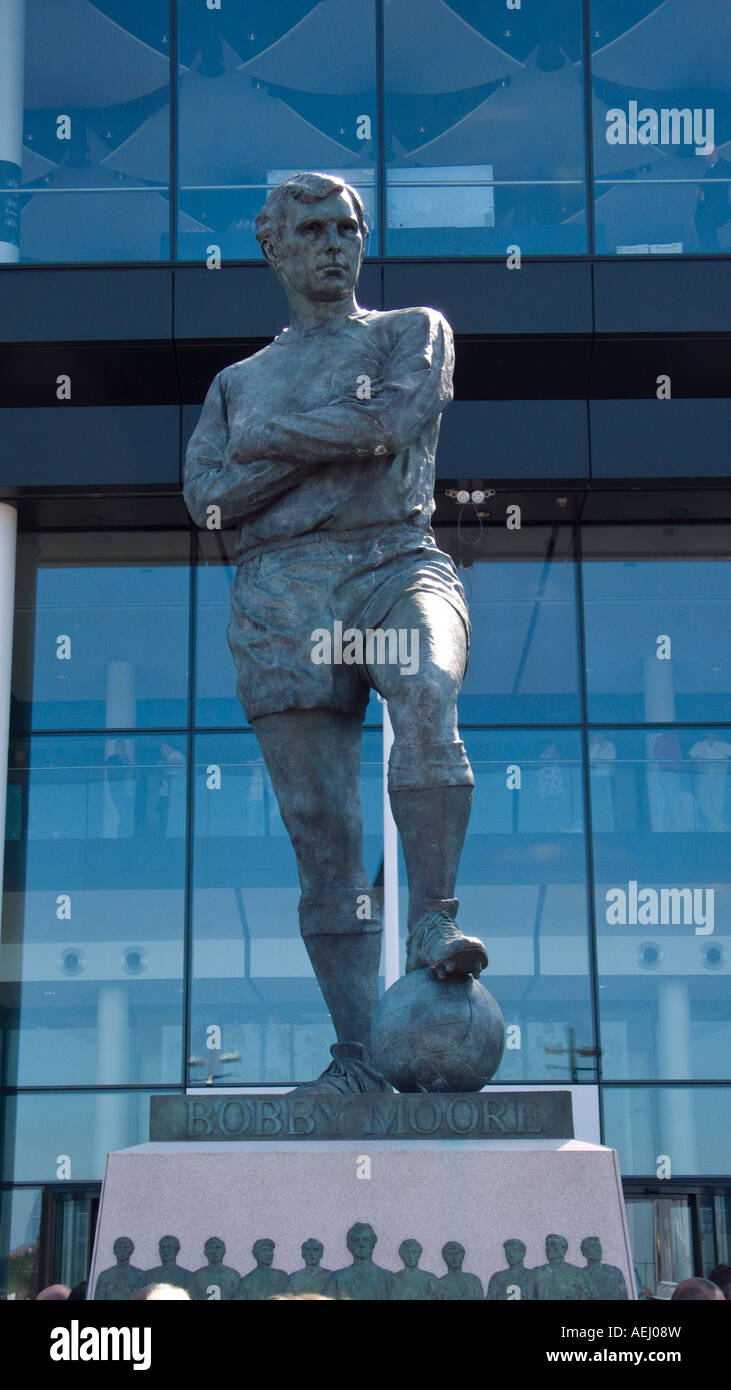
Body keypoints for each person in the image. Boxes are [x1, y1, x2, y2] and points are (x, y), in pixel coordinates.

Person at [184, 170, 486, 1093]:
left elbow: (393, 422)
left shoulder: (410, 332)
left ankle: (433, 917)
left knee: (426, 688)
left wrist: (269, 446)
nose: (334, 244)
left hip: (392, 565)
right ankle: (361, 1055)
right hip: (280, 600)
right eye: (311, 229)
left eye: (347, 228)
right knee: (323, 838)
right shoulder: (237, 384)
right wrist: (325, 437)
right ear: (272, 246)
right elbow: (208, 503)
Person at [325, 1222, 393, 1301]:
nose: (361, 1244)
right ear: (349, 1245)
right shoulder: (337, 1278)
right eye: (356, 1240)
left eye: (366, 1239)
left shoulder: (387, 1278)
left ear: (373, 1243)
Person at [689, 731, 731, 830]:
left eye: (713, 733)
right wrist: (699, 766)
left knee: (718, 803)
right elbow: (691, 757)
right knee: (702, 800)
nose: (711, 734)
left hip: (720, 779)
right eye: (709, 733)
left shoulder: (723, 745)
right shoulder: (698, 745)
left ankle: (712, 828)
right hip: (703, 778)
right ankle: (719, 824)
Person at [530, 1234, 592, 1300]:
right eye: (547, 1245)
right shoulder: (536, 1272)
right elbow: (529, 1296)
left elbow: (590, 1295)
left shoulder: (577, 1272)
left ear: (564, 1248)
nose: (548, 1248)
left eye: (553, 1244)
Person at [190, 1236, 240, 1301]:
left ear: (223, 1251)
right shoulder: (197, 1276)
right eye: (211, 1248)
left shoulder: (233, 1275)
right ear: (205, 1252)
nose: (214, 1252)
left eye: (217, 1248)